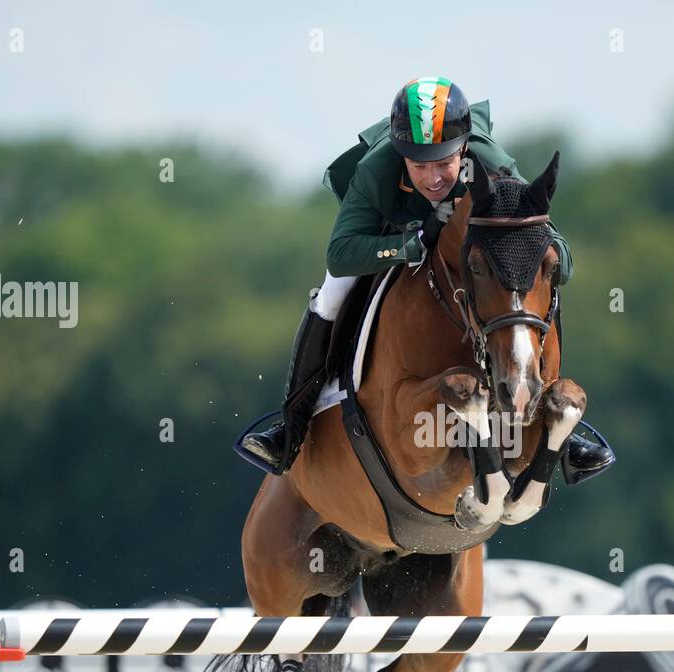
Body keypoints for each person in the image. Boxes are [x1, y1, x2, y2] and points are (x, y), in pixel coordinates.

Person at [240, 76, 614, 478]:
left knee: (527, 288)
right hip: (391, 236)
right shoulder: (376, 171)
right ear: (402, 155)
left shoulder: (491, 159)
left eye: (444, 163)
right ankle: (291, 427)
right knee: (330, 294)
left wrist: (549, 256)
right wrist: (414, 243)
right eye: (419, 166)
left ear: (465, 150)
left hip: (475, 248)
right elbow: (339, 254)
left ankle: (562, 433)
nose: (433, 178)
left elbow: (554, 253)